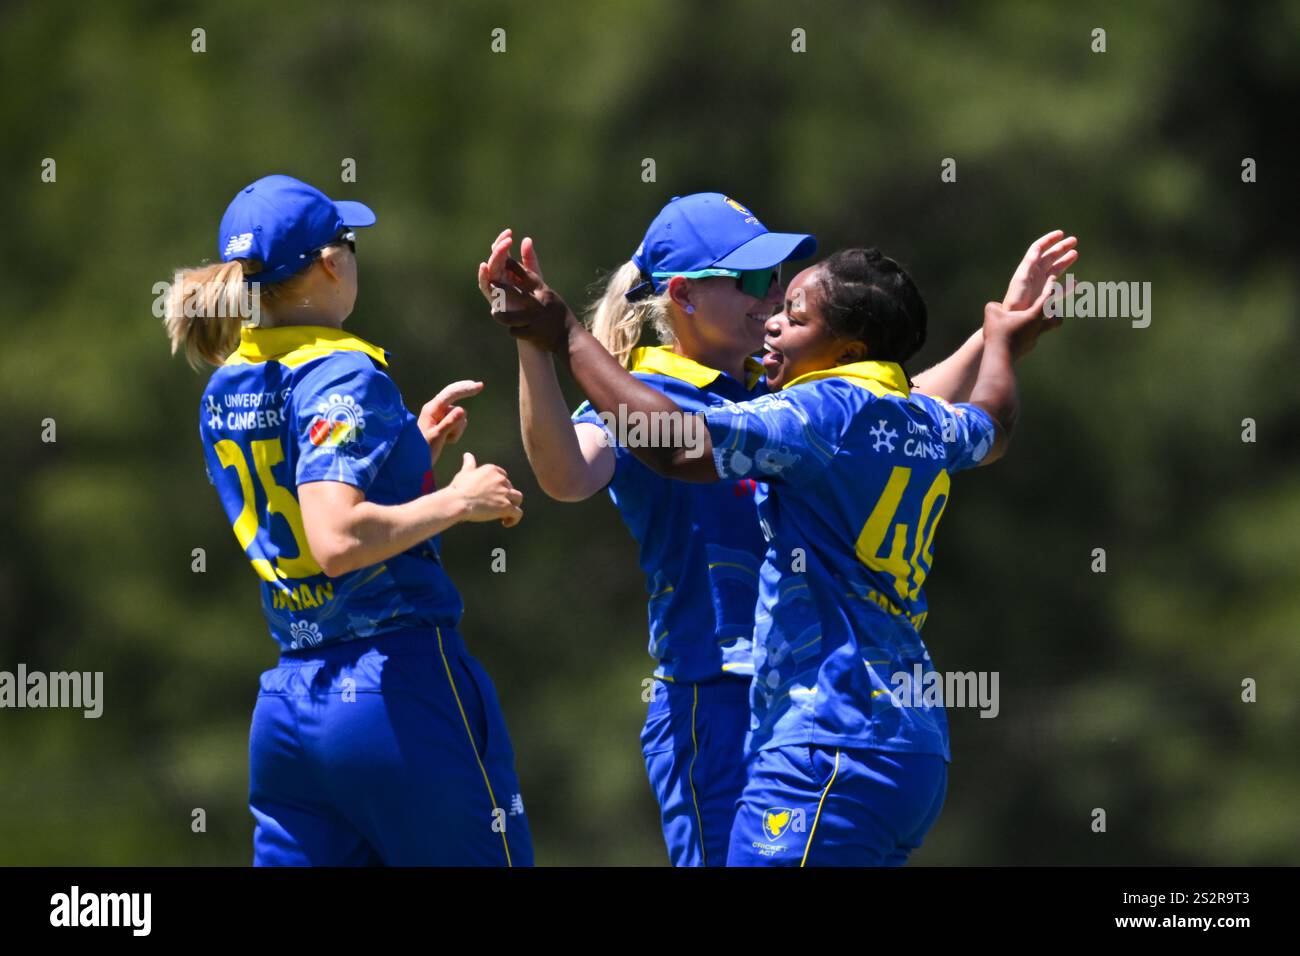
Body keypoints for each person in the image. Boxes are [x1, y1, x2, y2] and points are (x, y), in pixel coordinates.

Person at [482, 231, 1076, 866]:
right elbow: (994, 420)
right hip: (912, 748)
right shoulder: (917, 420)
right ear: (681, 294)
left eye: (791, 312)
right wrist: (1003, 339)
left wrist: (567, 335)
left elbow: (680, 446)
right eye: (760, 287)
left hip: (830, 737)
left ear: (845, 350)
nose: (771, 318)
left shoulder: (814, 411)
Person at [166, 173, 531, 866]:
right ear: (330, 262)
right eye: (349, 241)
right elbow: (335, 539)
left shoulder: (227, 382)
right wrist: (461, 498)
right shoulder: (341, 373)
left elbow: (292, 486)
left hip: (290, 709)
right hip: (394, 690)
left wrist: (403, 450)